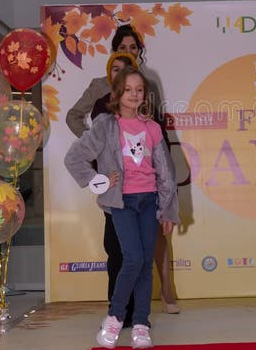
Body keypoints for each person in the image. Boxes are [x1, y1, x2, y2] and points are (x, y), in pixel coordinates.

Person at [66, 24, 180, 314]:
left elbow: (155, 132)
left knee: (146, 250)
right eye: (122, 48)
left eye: (133, 48)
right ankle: (117, 313)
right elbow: (75, 127)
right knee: (119, 249)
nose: (133, 93)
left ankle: (143, 315)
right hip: (114, 182)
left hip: (146, 184)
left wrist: (166, 189)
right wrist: (95, 155)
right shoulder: (100, 94)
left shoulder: (148, 93)